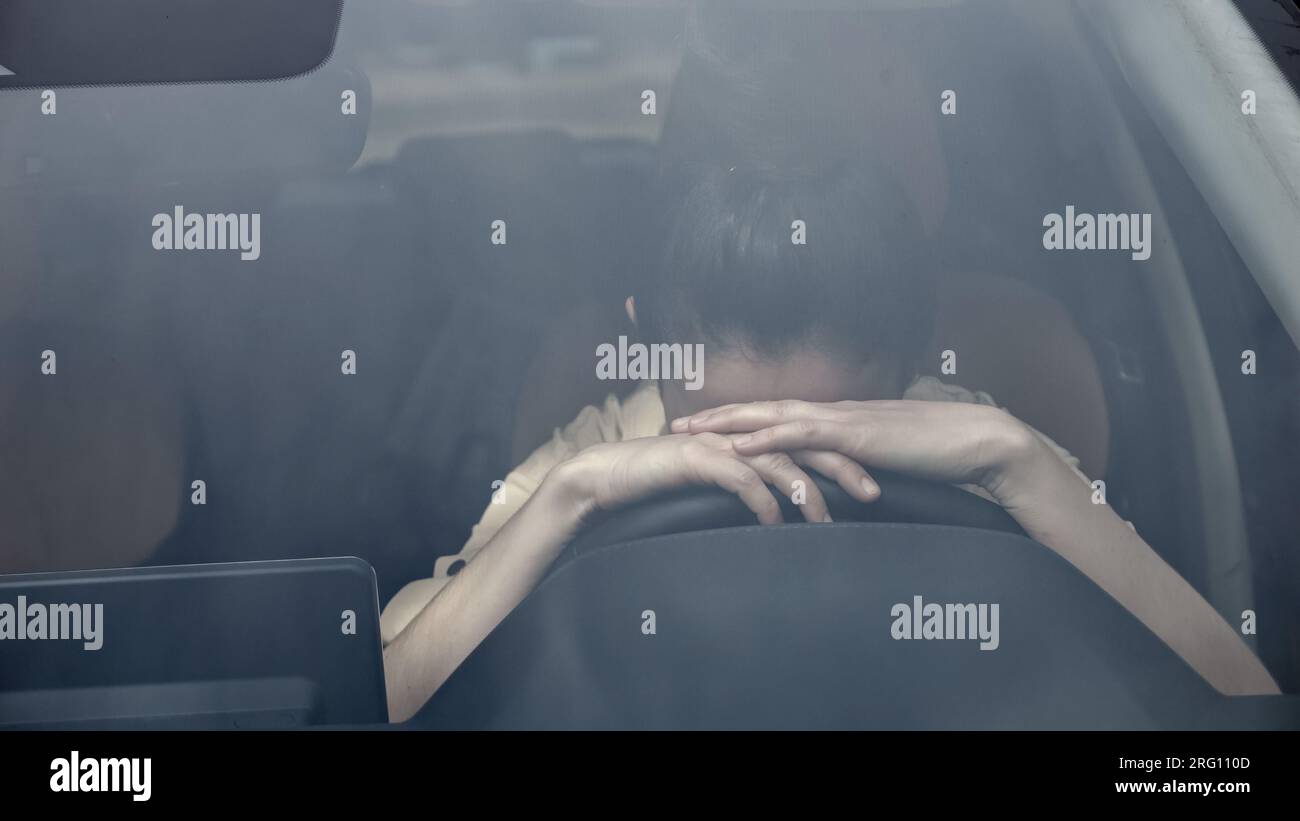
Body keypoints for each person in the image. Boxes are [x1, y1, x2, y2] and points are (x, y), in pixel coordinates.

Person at [379, 155, 1279, 722]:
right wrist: (572, 497)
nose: (779, 452)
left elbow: (1244, 714)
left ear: (904, 370)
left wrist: (1020, 461)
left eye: (825, 430)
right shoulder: (603, 442)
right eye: (728, 427)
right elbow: (387, 698)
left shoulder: (970, 435)